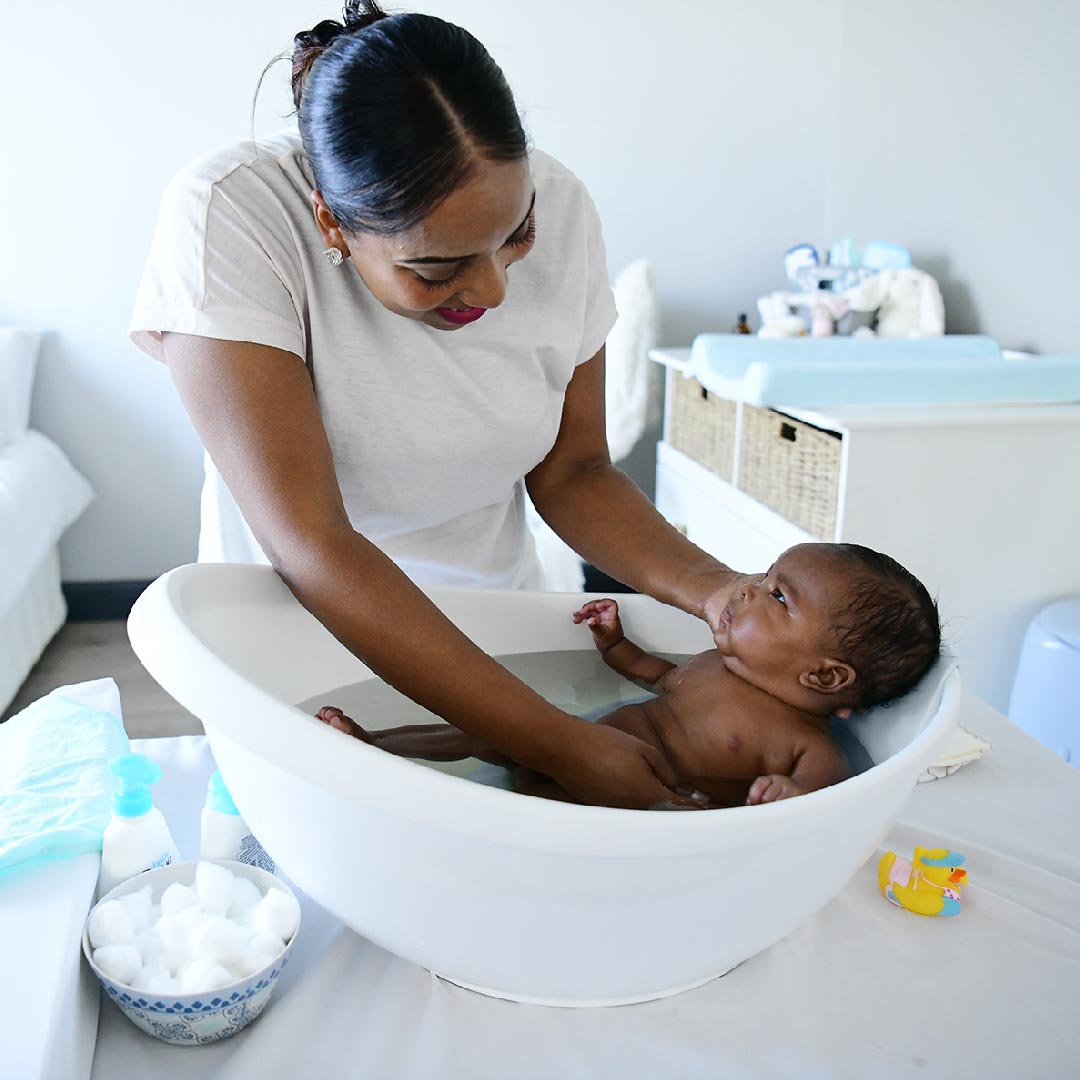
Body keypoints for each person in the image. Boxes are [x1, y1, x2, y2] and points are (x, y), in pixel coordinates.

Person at [129, 1, 748, 809]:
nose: (492, 288)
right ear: (332, 224)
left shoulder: (561, 201)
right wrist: (562, 744)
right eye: (436, 268)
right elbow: (313, 543)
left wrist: (724, 596)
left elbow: (579, 471)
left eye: (517, 237)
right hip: (299, 636)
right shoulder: (232, 214)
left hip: (499, 619)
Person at [314, 543, 942, 808]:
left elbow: (820, 813)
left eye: (777, 597)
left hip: (629, 802)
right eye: (764, 573)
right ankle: (373, 747)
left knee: (524, 796)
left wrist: (788, 797)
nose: (747, 587)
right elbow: (653, 676)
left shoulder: (804, 746)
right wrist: (615, 642)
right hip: (571, 745)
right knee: (485, 728)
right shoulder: (713, 667)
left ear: (827, 678)